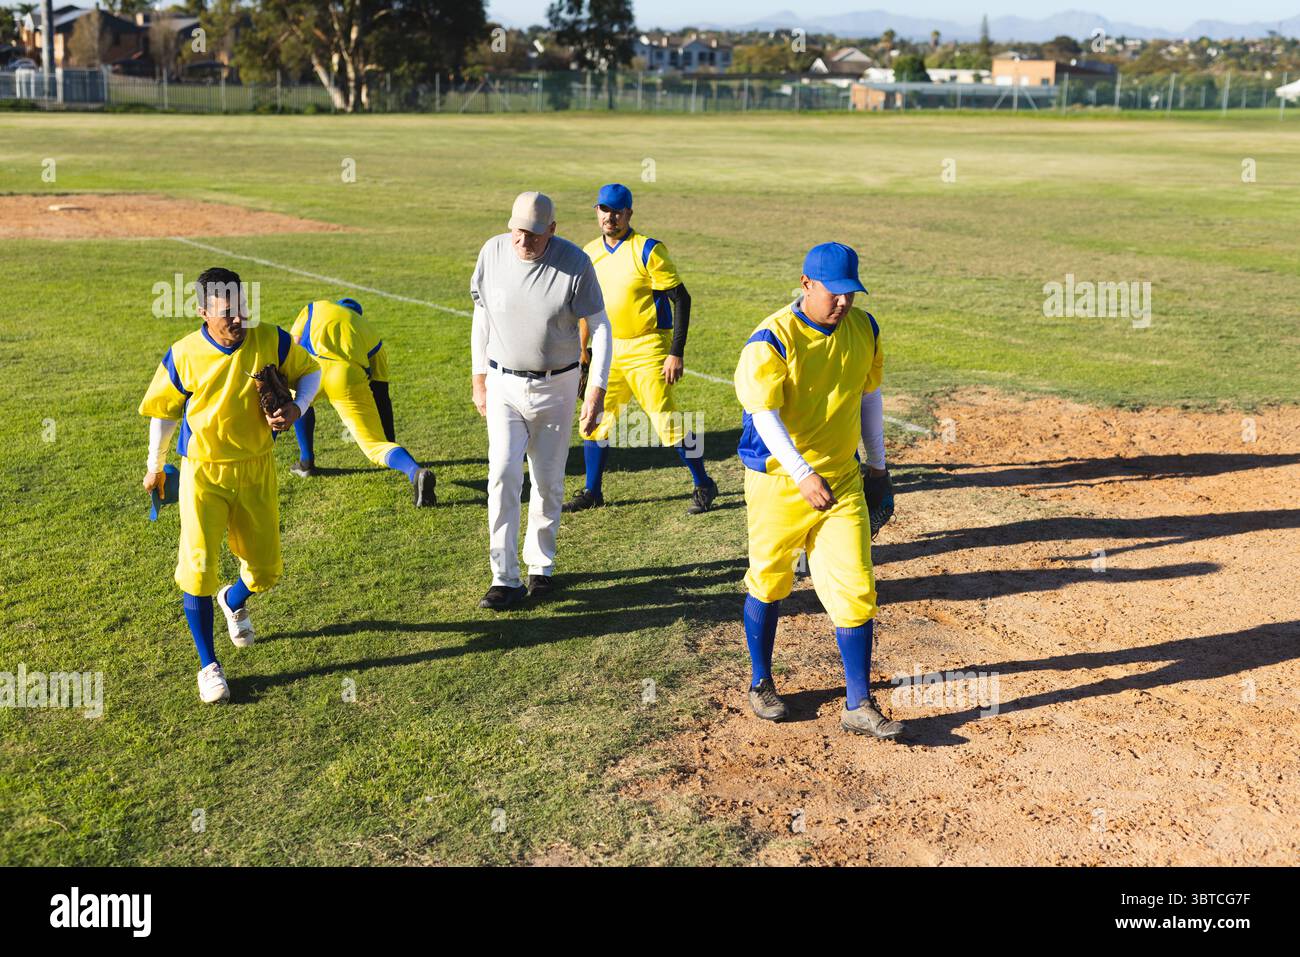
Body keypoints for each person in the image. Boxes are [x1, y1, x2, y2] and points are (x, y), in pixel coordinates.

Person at [733, 242, 903, 739]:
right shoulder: (771, 340)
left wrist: (878, 467)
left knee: (856, 588)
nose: (844, 302)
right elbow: (763, 416)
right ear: (806, 284)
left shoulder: (864, 328)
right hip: (778, 482)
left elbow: (868, 397)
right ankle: (761, 682)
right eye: (834, 292)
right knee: (768, 580)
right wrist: (803, 472)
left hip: (843, 479)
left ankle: (858, 702)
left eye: (852, 292)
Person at [140, 267, 320, 703]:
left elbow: (310, 372)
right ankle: (208, 665)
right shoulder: (183, 354)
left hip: (257, 468)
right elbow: (164, 414)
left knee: (265, 571)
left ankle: (233, 599)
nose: (239, 319)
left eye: (242, 308)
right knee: (197, 568)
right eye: (227, 313)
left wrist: (298, 406)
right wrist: (155, 465)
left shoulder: (271, 339)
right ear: (203, 311)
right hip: (203, 473)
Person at [469, 191, 612, 610]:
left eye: (532, 234)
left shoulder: (575, 264)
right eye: (516, 231)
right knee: (502, 473)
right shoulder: (493, 252)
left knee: (547, 479)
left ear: (552, 229)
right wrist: (479, 377)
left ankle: (541, 567)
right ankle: (503, 577)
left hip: (559, 384)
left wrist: (597, 390)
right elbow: (482, 315)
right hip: (503, 384)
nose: (522, 242)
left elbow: (600, 328)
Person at [563, 183, 717, 515]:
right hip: (608, 347)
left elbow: (681, 299)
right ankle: (592, 491)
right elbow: (586, 308)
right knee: (593, 418)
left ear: (629, 214)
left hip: (648, 346)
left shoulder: (648, 249)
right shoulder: (588, 253)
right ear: (597, 212)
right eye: (605, 210)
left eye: (618, 211)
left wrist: (676, 351)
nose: (611, 217)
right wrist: (583, 352)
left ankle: (704, 483)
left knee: (667, 421)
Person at [287, 297, 435, 507]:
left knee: (299, 402)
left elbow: (293, 343)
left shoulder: (317, 306)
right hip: (347, 377)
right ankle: (415, 471)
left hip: (311, 368)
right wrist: (389, 439)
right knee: (374, 446)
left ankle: (306, 462)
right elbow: (381, 393)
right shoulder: (370, 333)